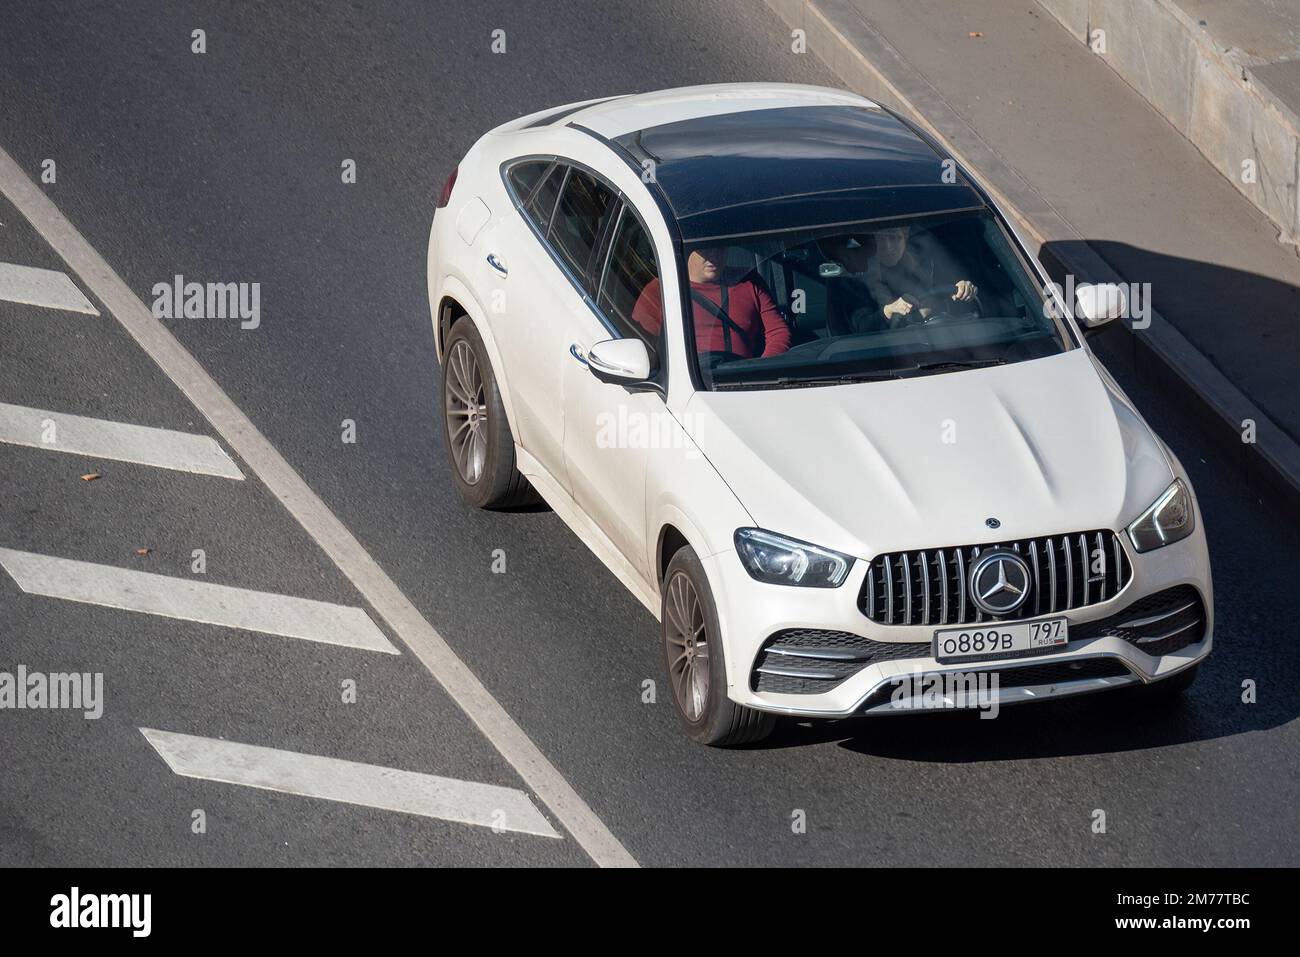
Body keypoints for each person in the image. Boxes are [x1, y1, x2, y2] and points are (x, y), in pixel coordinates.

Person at [632, 246, 791, 359]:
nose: (714, 255)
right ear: (687, 250)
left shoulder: (749, 281)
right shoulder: (660, 291)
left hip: (746, 380)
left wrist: (760, 371)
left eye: (720, 248)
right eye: (705, 249)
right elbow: (642, 349)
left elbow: (778, 333)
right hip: (688, 388)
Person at [867, 225, 978, 325]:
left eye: (894, 237)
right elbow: (861, 327)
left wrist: (963, 290)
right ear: (872, 241)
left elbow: (949, 291)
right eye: (880, 238)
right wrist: (889, 310)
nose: (887, 246)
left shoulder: (929, 263)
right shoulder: (860, 278)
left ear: (905, 236)